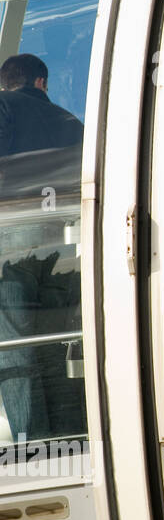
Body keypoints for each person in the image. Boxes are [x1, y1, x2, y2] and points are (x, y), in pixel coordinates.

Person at [0, 53, 85, 441]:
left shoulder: (4, 105)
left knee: (15, 347)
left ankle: (33, 444)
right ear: (42, 83)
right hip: (62, 249)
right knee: (54, 344)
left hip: (13, 246)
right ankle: (67, 441)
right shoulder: (72, 122)